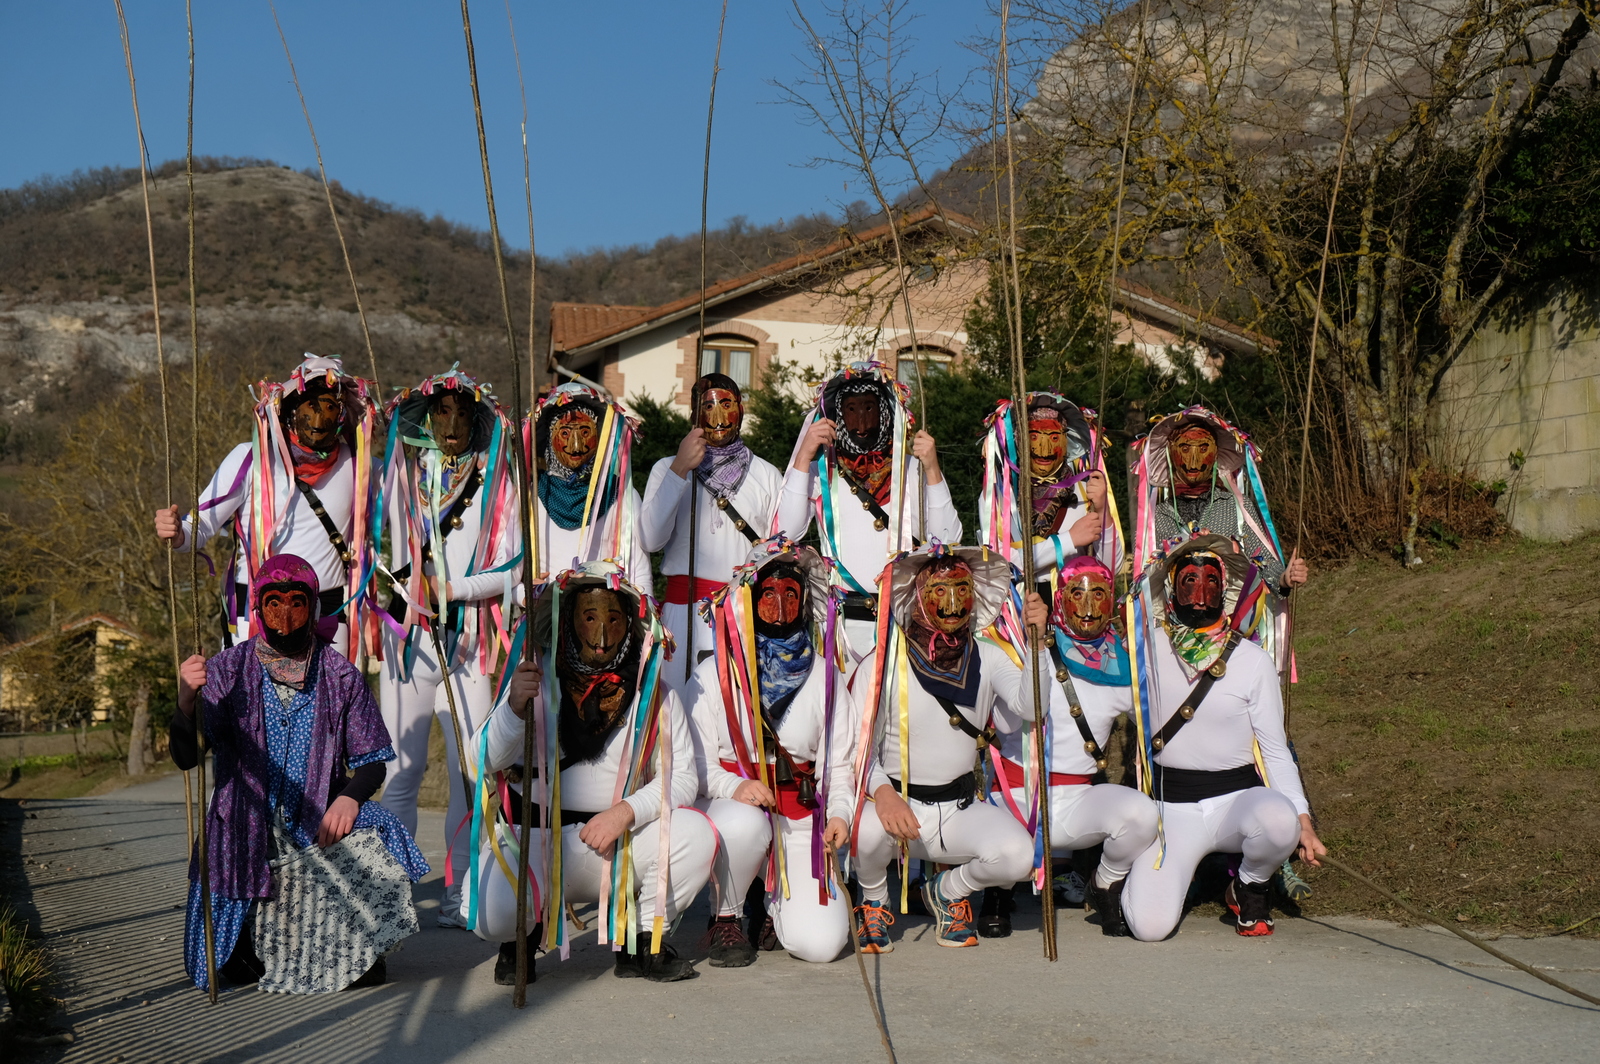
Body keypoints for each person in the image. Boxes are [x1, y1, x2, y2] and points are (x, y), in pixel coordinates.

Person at [172, 554, 427, 994]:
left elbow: (372, 762)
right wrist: (185, 702)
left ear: (312, 606)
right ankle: (259, 941)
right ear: (257, 607)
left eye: (296, 603)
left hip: (314, 826)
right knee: (230, 964)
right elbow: (186, 758)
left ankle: (351, 942)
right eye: (273, 603)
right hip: (242, 830)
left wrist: (349, 798)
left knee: (378, 829)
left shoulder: (339, 675)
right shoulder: (225, 671)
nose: (285, 618)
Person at [468, 562, 715, 985]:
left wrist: (624, 812)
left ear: (630, 625)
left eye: (613, 619)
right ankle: (521, 937)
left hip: (620, 845)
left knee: (695, 833)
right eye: (589, 618)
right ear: (569, 622)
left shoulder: (652, 690)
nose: (601, 637)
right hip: (539, 841)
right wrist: (512, 712)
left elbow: (683, 779)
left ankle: (642, 939)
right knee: (490, 912)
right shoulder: (533, 681)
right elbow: (478, 764)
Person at [1120, 536, 1325, 941]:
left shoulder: (1252, 660)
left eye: (1211, 582)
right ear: (1171, 586)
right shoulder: (1143, 649)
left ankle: (1248, 885)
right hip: (1171, 808)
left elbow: (1274, 749)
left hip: (1236, 801)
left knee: (1279, 822)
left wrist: (1302, 819)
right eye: (1189, 581)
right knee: (1149, 928)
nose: (1200, 594)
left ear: (1225, 590)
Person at [376, 367, 521, 929]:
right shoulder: (402, 476)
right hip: (410, 642)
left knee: (472, 769)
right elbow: (383, 545)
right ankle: (389, 896)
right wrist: (413, 588)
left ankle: (464, 891)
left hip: (472, 642)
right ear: (426, 420)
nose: (452, 424)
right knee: (401, 770)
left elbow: (511, 568)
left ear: (478, 420)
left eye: (463, 413)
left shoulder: (496, 484)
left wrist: (454, 589)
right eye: (440, 413)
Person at [851, 545, 1050, 952]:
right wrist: (884, 796)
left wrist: (1038, 643)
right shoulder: (883, 662)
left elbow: (1034, 706)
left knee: (1017, 856)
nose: (954, 603)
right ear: (919, 597)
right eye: (940, 591)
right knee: (867, 832)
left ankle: (947, 891)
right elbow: (856, 748)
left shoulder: (989, 657)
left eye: (962, 589)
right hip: (895, 810)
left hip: (957, 809)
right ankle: (873, 902)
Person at [686, 538, 858, 966]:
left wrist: (839, 812)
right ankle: (725, 916)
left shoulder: (824, 675)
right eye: (768, 594)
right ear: (748, 599)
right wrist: (735, 785)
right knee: (746, 826)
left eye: (790, 594)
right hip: (731, 810)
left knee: (822, 945)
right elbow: (691, 762)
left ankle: (775, 907)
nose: (780, 605)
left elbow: (839, 762)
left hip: (798, 816)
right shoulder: (713, 673)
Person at [154, 354, 380, 659]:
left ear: (341, 414)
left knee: (328, 706)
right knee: (251, 706)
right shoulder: (251, 459)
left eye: (329, 406)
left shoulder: (361, 466)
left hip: (329, 615)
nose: (319, 418)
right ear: (289, 411)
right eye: (310, 406)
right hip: (257, 613)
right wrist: (177, 533)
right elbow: (201, 526)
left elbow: (417, 496)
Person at [986, 555, 1157, 938]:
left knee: (1142, 815)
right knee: (1001, 840)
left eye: (1099, 594)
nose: (1089, 606)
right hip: (1016, 797)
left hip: (1077, 799)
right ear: (1059, 598)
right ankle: (998, 892)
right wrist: (1033, 636)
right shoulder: (1024, 645)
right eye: (1076, 594)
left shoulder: (1122, 664)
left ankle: (1105, 884)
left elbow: (1156, 715)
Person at [774, 362, 959, 661]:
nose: (861, 422)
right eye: (851, 409)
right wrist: (804, 457)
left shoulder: (910, 467)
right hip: (843, 632)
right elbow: (787, 532)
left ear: (885, 410)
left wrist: (933, 468)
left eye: (870, 409)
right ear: (837, 414)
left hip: (904, 625)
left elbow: (948, 537)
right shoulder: (823, 471)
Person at [640, 373, 783, 698]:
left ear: (741, 409)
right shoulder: (667, 468)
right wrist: (680, 469)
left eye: (726, 405)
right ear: (694, 414)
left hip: (741, 615)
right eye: (708, 406)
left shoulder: (767, 475)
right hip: (681, 615)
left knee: (735, 722)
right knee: (675, 719)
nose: (718, 416)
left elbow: (777, 553)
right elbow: (650, 540)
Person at [978, 391, 1120, 577]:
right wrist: (1069, 540)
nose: (1044, 450)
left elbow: (1111, 568)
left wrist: (1102, 512)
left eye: (1054, 438)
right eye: (1034, 437)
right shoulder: (998, 498)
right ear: (1018, 440)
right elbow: (997, 566)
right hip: (1021, 605)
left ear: (1065, 440)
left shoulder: (1087, 494)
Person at [527, 382, 651, 588]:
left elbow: (640, 572)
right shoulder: (529, 495)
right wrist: (525, 593)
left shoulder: (620, 495)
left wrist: (642, 617)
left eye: (585, 432)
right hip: (546, 615)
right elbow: (510, 571)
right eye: (565, 433)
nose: (576, 446)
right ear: (550, 438)